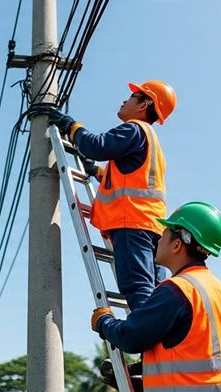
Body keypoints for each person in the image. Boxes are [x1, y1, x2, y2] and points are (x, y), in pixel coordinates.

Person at [90, 202, 221, 392]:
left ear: (177, 244)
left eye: (164, 233)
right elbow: (200, 351)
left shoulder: (176, 290)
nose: (158, 238)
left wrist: (104, 322)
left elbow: (132, 337)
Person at [48, 80, 176, 311]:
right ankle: (159, 335)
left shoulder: (134, 129)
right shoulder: (151, 140)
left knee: (139, 291)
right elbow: (130, 176)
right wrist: (97, 171)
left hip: (132, 224)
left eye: (132, 96)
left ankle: (144, 335)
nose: (125, 100)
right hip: (153, 228)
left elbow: (96, 146)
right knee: (156, 296)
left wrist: (71, 126)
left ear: (144, 104)